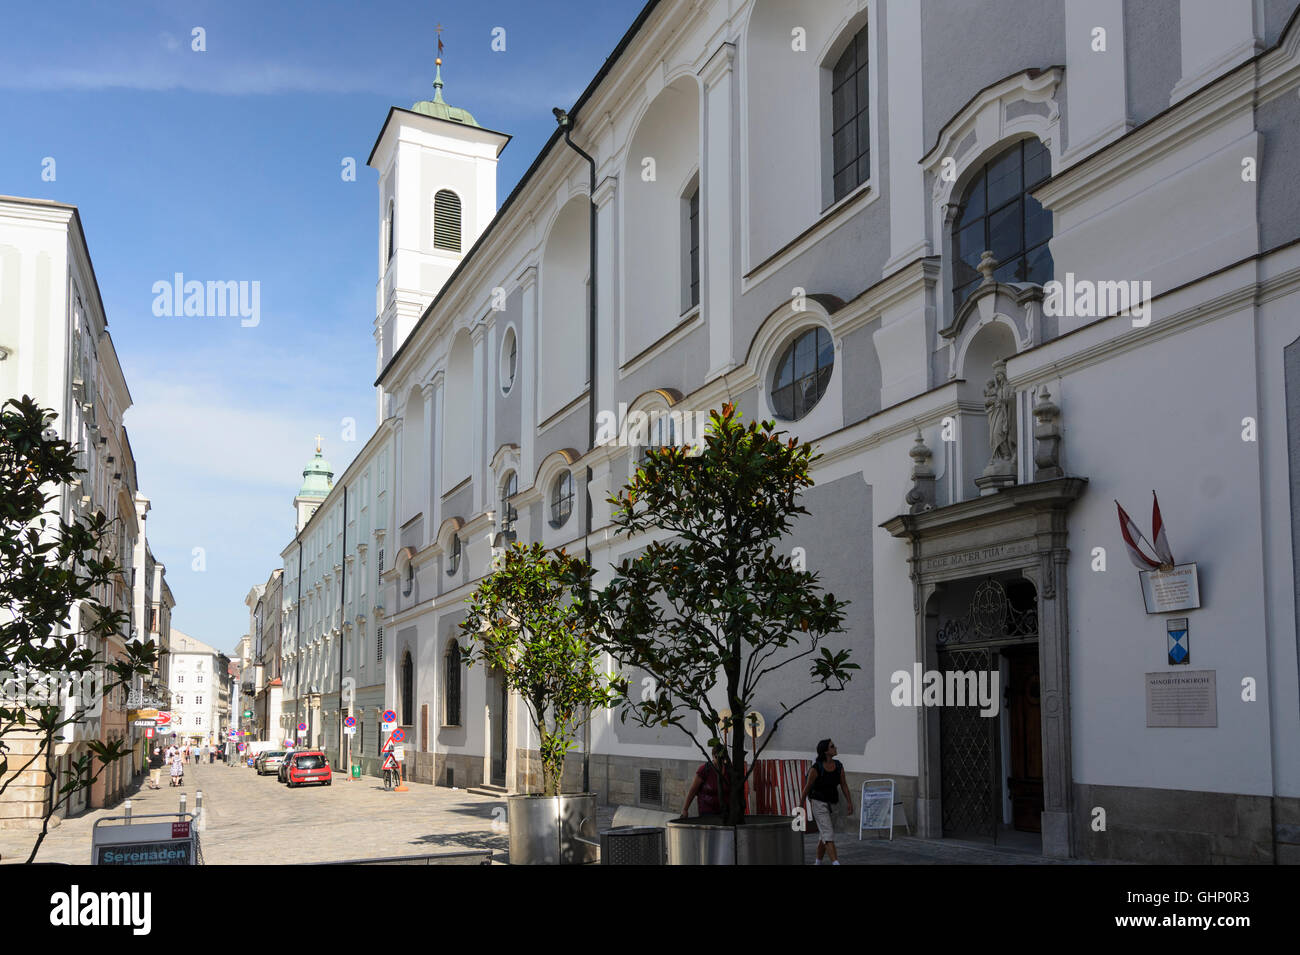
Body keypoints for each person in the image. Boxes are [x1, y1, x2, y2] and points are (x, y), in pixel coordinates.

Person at [800, 739, 853, 865]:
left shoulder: (838, 765)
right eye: (832, 746)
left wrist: (849, 802)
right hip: (818, 803)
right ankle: (836, 863)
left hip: (833, 804)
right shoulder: (816, 768)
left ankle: (817, 862)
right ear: (825, 751)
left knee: (824, 835)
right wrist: (800, 804)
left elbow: (844, 785)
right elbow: (807, 787)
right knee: (828, 834)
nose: (835, 748)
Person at [680, 745, 748, 818]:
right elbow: (693, 790)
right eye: (717, 757)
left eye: (722, 757)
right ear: (712, 756)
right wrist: (685, 809)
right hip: (707, 812)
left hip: (725, 812)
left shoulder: (729, 770)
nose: (719, 760)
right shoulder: (704, 770)